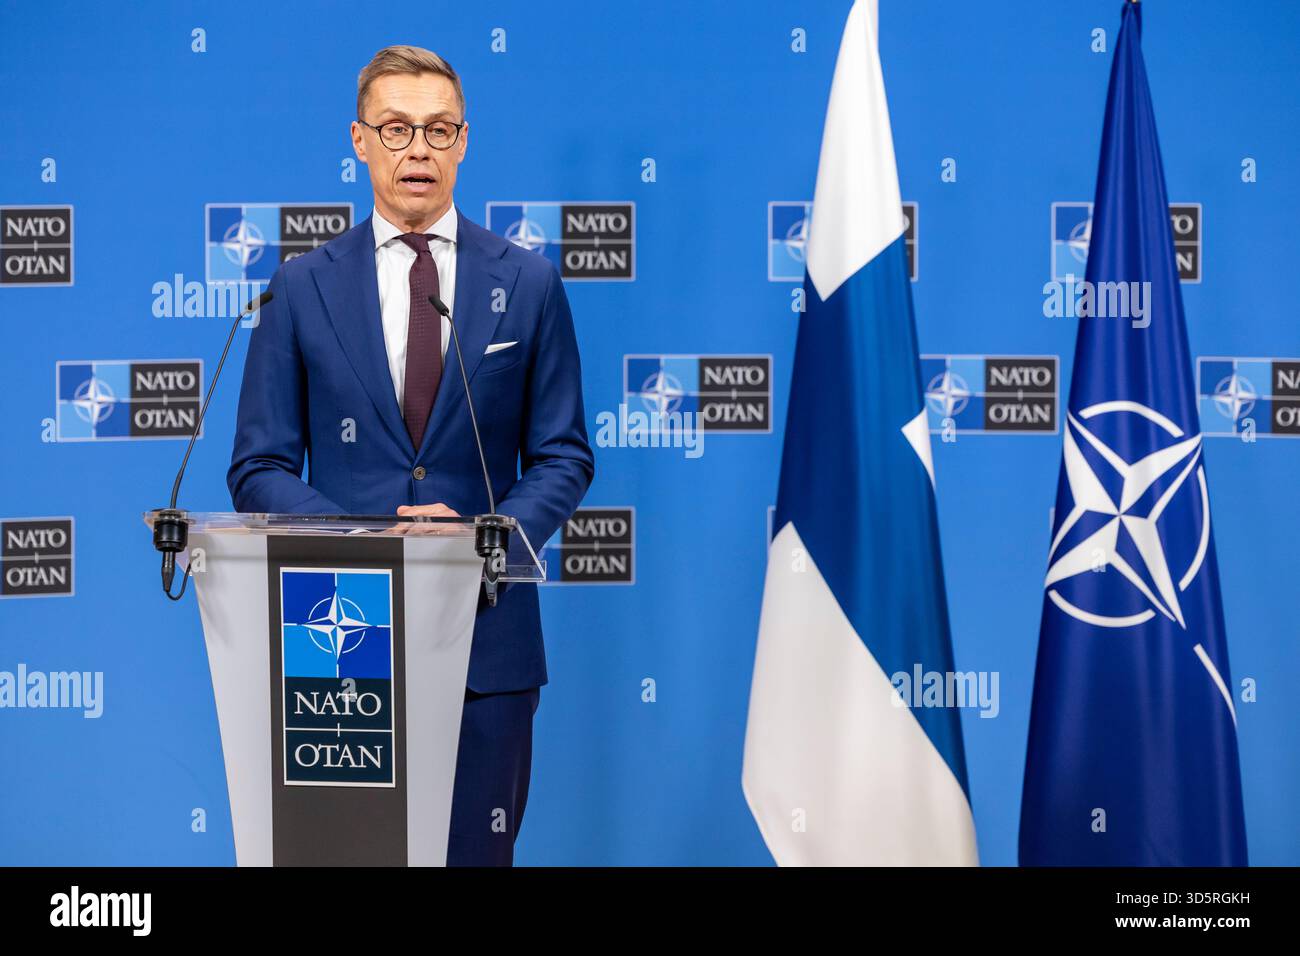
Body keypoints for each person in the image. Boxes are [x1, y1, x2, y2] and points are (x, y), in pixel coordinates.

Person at [227, 44, 594, 865]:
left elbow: (564, 454)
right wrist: (366, 538)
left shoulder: (527, 284)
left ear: (464, 142)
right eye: (396, 129)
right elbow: (259, 467)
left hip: (485, 644)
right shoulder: (301, 288)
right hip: (339, 637)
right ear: (360, 141)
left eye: (438, 129)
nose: (418, 149)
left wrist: (483, 537)